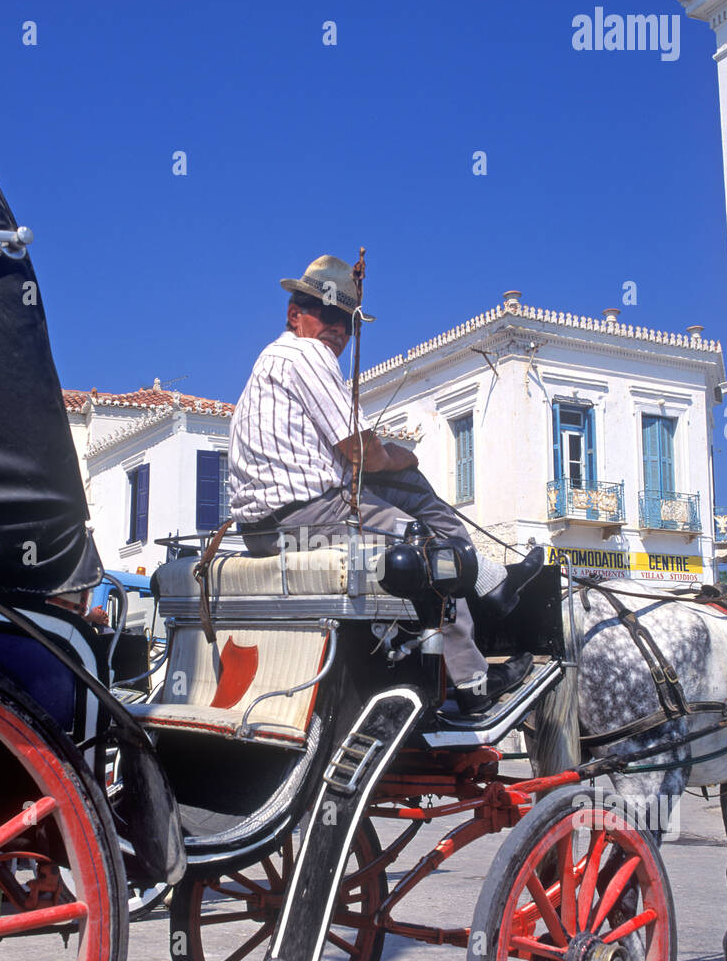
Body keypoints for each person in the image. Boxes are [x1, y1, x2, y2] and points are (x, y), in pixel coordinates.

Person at [228, 254, 542, 714]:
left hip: (277, 520)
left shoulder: (272, 359)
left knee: (407, 485)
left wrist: (396, 465)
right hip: (306, 517)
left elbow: (352, 456)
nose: (339, 329)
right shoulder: (306, 355)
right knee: (431, 550)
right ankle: (473, 682)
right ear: (295, 315)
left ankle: (489, 579)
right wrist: (402, 455)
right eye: (328, 314)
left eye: (348, 321)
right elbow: (363, 452)